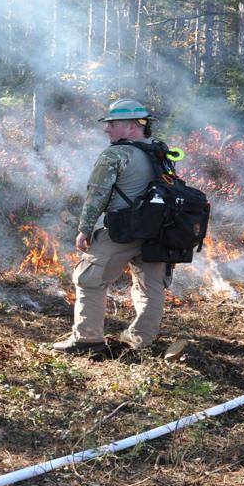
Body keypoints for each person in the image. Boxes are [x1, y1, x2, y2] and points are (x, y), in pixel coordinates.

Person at [52, 99, 171, 356]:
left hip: (123, 230)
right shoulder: (160, 151)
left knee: (88, 279)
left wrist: (84, 228)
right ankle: (141, 342)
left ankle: (87, 341)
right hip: (158, 231)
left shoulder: (114, 154)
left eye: (112, 124)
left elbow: (97, 194)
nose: (107, 130)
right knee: (151, 285)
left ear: (131, 127)